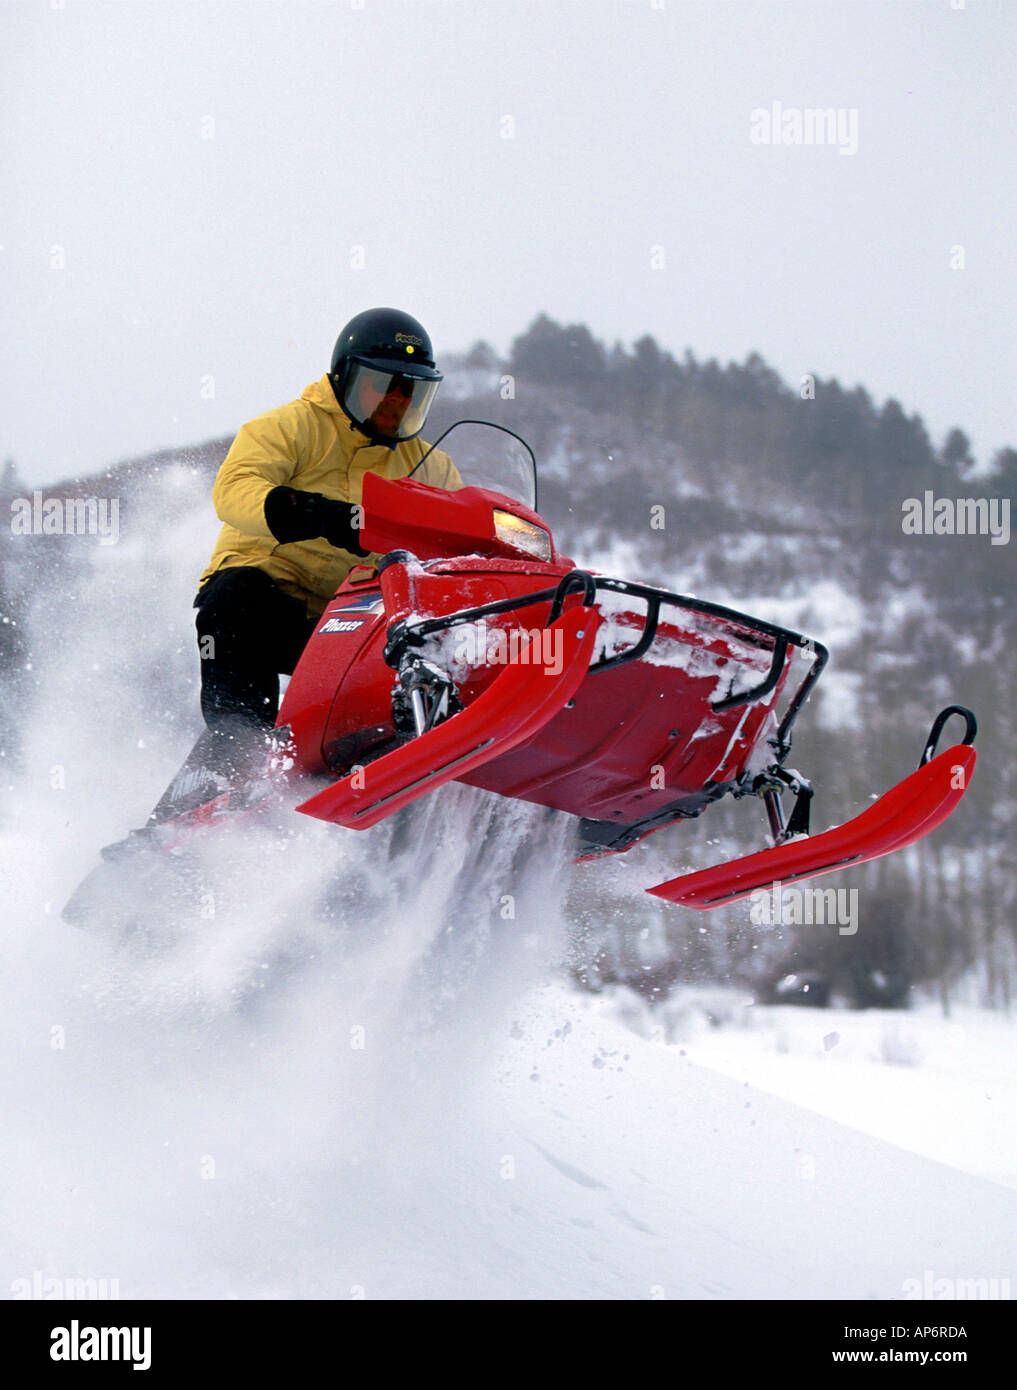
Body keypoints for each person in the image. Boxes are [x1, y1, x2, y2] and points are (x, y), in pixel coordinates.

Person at [193, 307, 459, 768]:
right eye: (383, 385)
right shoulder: (289, 428)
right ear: (347, 378)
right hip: (270, 603)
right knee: (235, 598)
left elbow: (464, 534)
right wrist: (318, 514)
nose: (396, 400)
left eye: (410, 390)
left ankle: (427, 743)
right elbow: (233, 491)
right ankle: (238, 756)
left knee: (439, 634)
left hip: (353, 624)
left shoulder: (431, 467)